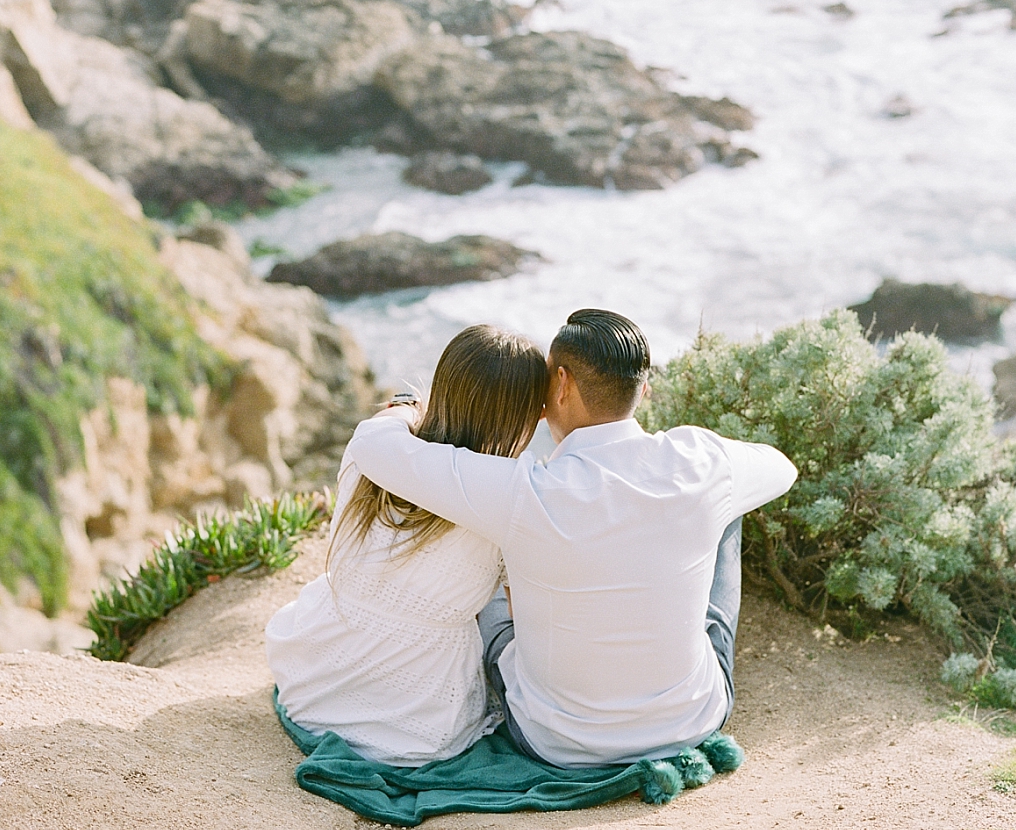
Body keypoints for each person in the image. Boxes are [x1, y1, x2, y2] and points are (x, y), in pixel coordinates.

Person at [348, 308, 798, 768]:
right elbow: (782, 468)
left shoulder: (522, 491)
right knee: (727, 507)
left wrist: (408, 406)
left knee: (495, 568)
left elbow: (372, 448)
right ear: (643, 388)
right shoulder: (701, 460)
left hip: (553, 740)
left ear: (561, 384)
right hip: (688, 723)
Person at [265, 324, 549, 766]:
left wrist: (406, 407)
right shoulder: (505, 502)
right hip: (419, 723)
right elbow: (527, 623)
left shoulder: (372, 453)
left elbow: (392, 421)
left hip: (314, 682)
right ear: (523, 417)